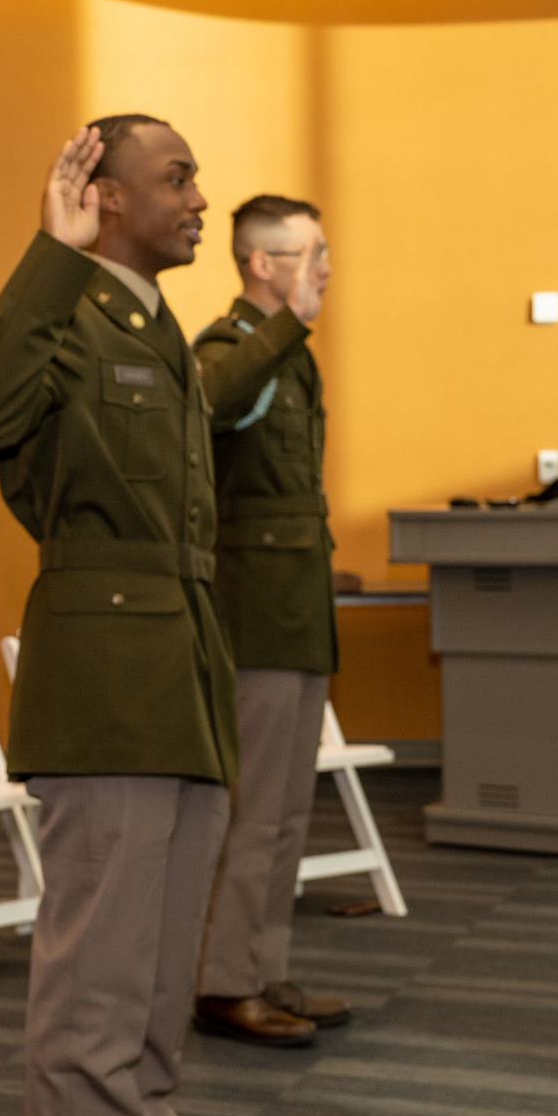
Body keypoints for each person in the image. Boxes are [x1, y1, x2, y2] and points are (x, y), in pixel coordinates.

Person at [0, 116, 263, 1116]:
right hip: (106, 681)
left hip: (179, 671)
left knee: (154, 972)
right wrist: (51, 251)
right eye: (177, 177)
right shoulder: (68, 312)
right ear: (104, 193)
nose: (198, 196)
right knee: (96, 975)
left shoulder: (153, 326)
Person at [190, 196, 348, 1047]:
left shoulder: (288, 357)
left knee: (287, 812)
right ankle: (220, 984)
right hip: (250, 615)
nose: (325, 265)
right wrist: (284, 327)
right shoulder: (229, 349)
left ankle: (261, 969)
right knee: (250, 812)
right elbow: (209, 402)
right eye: (310, 251)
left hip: (294, 611)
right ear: (261, 263)